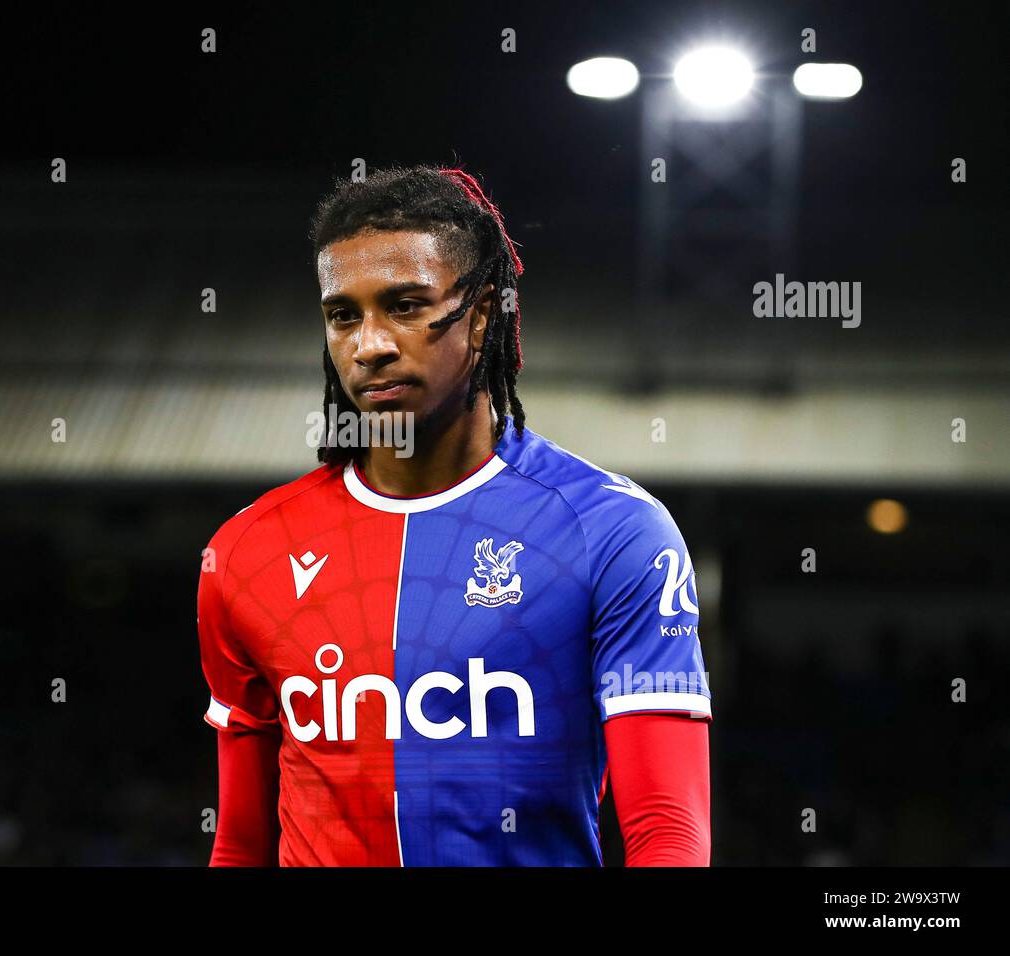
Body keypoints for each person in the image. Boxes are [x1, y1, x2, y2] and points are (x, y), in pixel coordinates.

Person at [197, 164, 711, 865]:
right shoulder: (246, 551)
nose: (370, 345)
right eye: (343, 315)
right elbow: (240, 842)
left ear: (482, 314)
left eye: (405, 306)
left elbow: (667, 832)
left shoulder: (612, 532)